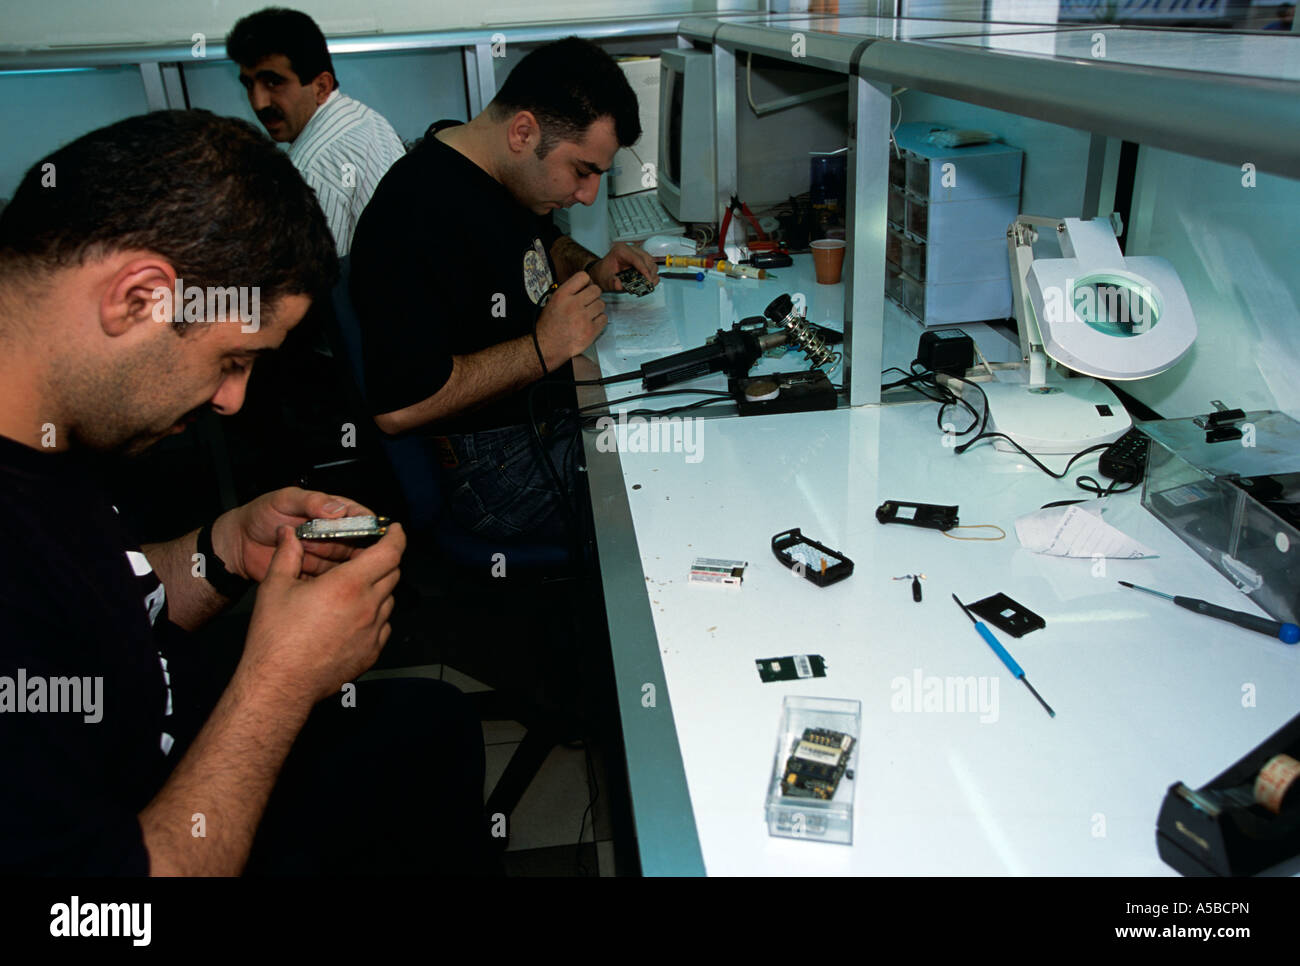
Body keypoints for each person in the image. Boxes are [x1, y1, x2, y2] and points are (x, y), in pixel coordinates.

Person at [0, 110, 487, 875]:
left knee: (433, 728)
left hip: (161, 731)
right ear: (139, 298)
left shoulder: (53, 426)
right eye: (233, 359)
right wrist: (279, 683)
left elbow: (99, 598)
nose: (231, 401)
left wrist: (224, 551)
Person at [348, 36, 658, 545]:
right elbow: (399, 408)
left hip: (548, 416)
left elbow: (544, 246)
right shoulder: (414, 215)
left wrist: (593, 267)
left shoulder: (499, 170)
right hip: (495, 470)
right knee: (675, 479)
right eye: (583, 171)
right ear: (523, 131)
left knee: (696, 416)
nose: (587, 195)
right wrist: (545, 348)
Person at [227, 7, 406, 255]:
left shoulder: (309, 171)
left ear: (321, 86)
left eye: (273, 82)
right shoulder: (365, 118)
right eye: (249, 84)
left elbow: (316, 285)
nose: (259, 103)